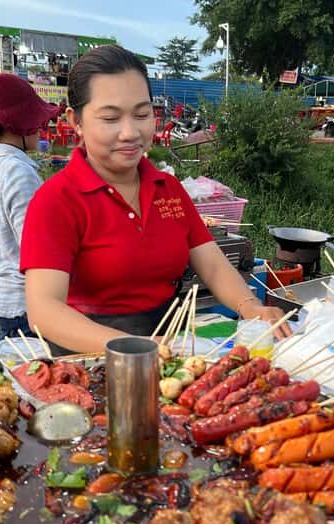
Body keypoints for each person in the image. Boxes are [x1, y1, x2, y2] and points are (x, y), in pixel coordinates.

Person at [20, 45, 285, 355]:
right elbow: (45, 310)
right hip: (88, 357)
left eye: (142, 114)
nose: (130, 132)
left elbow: (212, 265)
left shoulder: (168, 188)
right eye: (110, 118)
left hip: (167, 344)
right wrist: (134, 348)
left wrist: (251, 307)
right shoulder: (56, 200)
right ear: (75, 121)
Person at [0, 74, 55, 341]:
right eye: (37, 123)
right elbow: (37, 249)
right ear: (20, 125)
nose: (41, 130)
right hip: (25, 306)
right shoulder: (18, 172)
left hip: (7, 300)